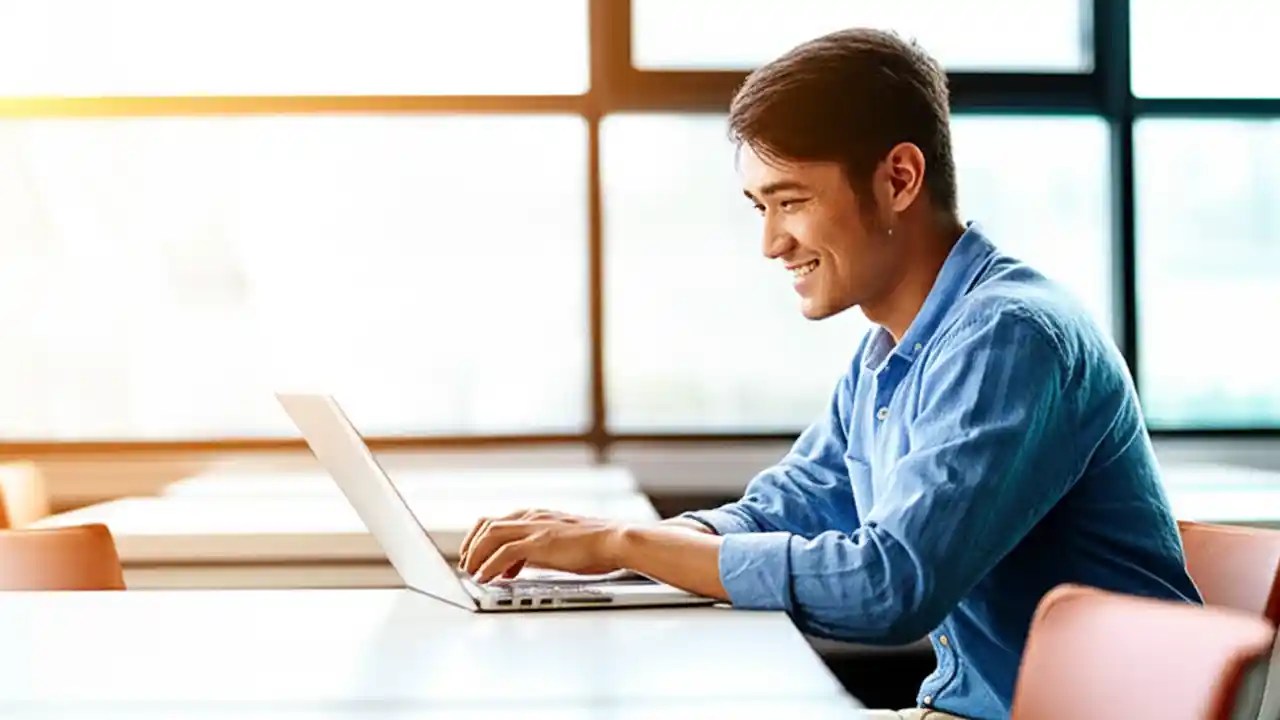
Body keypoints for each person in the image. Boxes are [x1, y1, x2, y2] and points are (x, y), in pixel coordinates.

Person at [458, 28, 1200, 719]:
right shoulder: (888, 353)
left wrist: (628, 546)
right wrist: (605, 554)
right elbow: (785, 508)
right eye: (759, 206)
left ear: (899, 179)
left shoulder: (1008, 338)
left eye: (791, 202)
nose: (772, 243)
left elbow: (889, 587)